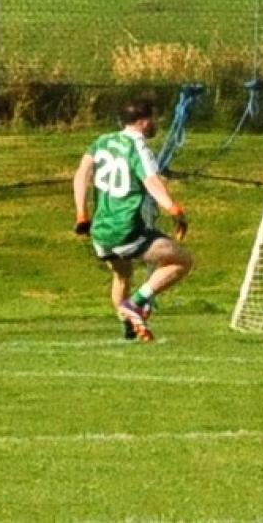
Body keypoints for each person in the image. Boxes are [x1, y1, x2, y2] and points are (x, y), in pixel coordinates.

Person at [73, 98, 193, 342]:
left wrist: (82, 213)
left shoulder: (101, 141)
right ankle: (135, 305)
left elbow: (80, 176)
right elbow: (152, 182)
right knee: (181, 260)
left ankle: (129, 328)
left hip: (101, 230)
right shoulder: (138, 146)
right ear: (144, 121)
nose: (157, 124)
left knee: (122, 275)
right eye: (155, 119)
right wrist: (174, 209)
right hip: (125, 228)